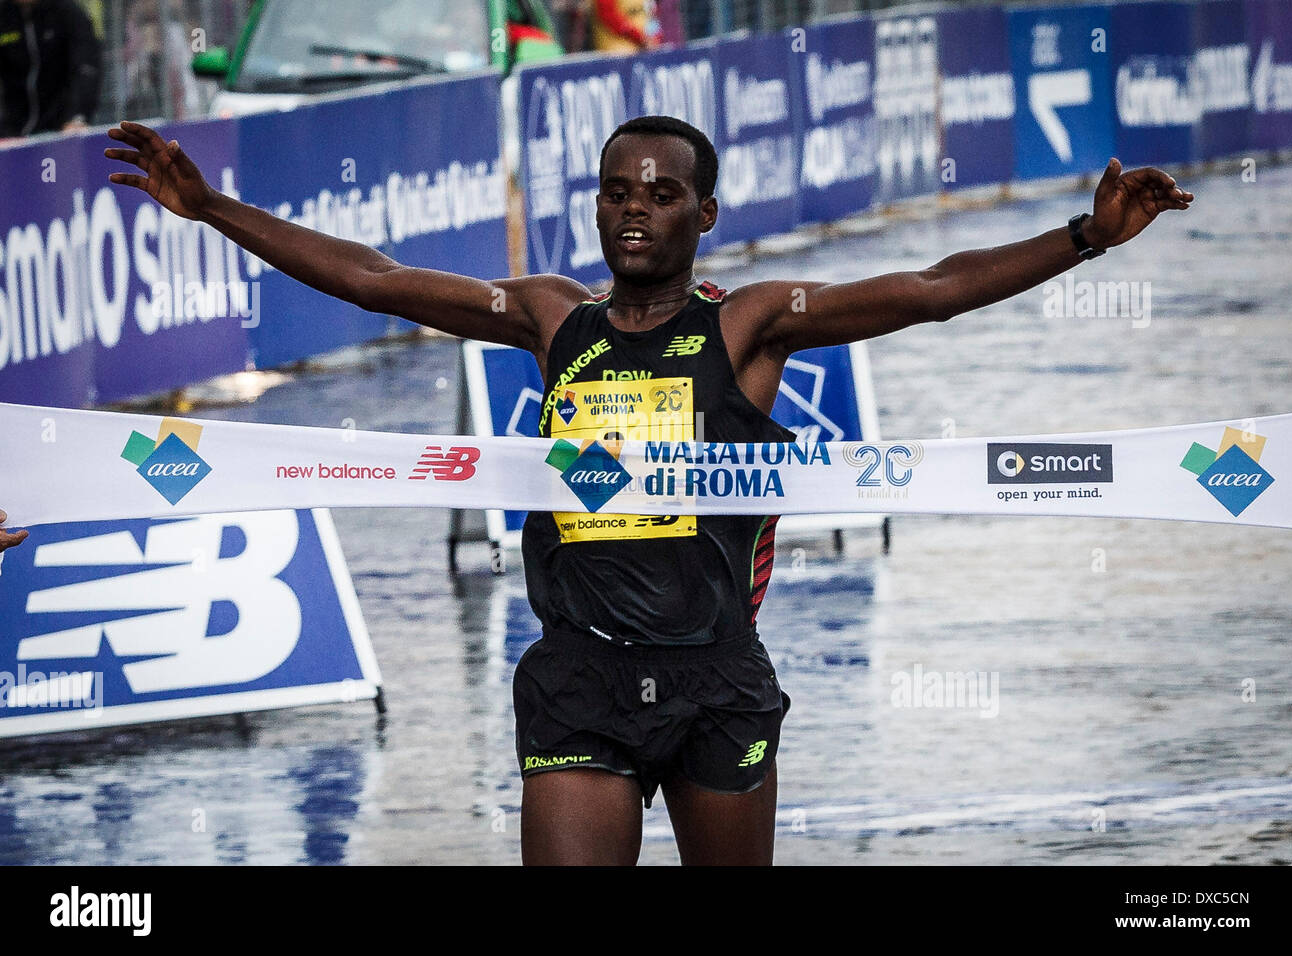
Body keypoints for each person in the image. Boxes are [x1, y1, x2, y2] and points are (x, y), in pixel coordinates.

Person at [2, 113, 1191, 865]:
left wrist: (1079, 239)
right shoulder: (547, 316)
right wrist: (212, 210)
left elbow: (931, 285)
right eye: (618, 186)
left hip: (717, 674)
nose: (634, 204)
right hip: (577, 675)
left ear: (703, 213)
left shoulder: (752, 325)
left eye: (661, 189)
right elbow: (371, 280)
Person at [0, 0, 101, 136]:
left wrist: (76, 117)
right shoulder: (4, 16)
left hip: (62, 127)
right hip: (12, 131)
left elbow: (86, 67)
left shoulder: (68, 12)